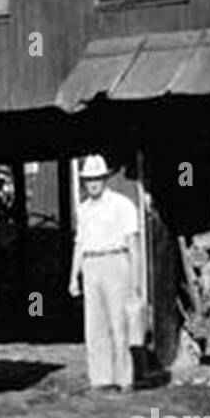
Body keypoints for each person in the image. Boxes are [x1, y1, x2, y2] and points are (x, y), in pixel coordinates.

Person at [68, 154, 140, 391]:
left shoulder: (122, 205)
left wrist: (136, 280)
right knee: (94, 326)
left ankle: (124, 379)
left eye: (97, 178)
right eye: (88, 180)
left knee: (118, 324)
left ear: (105, 178)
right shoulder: (83, 210)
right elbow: (79, 244)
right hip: (91, 265)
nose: (93, 184)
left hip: (116, 262)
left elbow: (133, 244)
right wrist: (73, 277)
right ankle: (100, 379)